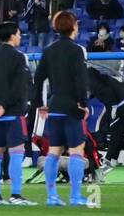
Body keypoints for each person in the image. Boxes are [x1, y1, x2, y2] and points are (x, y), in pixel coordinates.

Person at [32, 11, 92, 206]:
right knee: (76, 151)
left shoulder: (48, 50)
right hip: (71, 107)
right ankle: (75, 196)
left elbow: (38, 78)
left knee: (53, 151)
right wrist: (83, 104)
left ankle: (52, 196)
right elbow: (81, 81)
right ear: (73, 26)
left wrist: (40, 104)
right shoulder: (77, 50)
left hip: (55, 106)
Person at [0, 22, 35, 206]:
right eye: (18, 34)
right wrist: (3, 104)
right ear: (11, 36)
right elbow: (18, 86)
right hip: (12, 112)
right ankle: (15, 194)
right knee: (16, 152)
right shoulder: (19, 58)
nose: (20, 37)